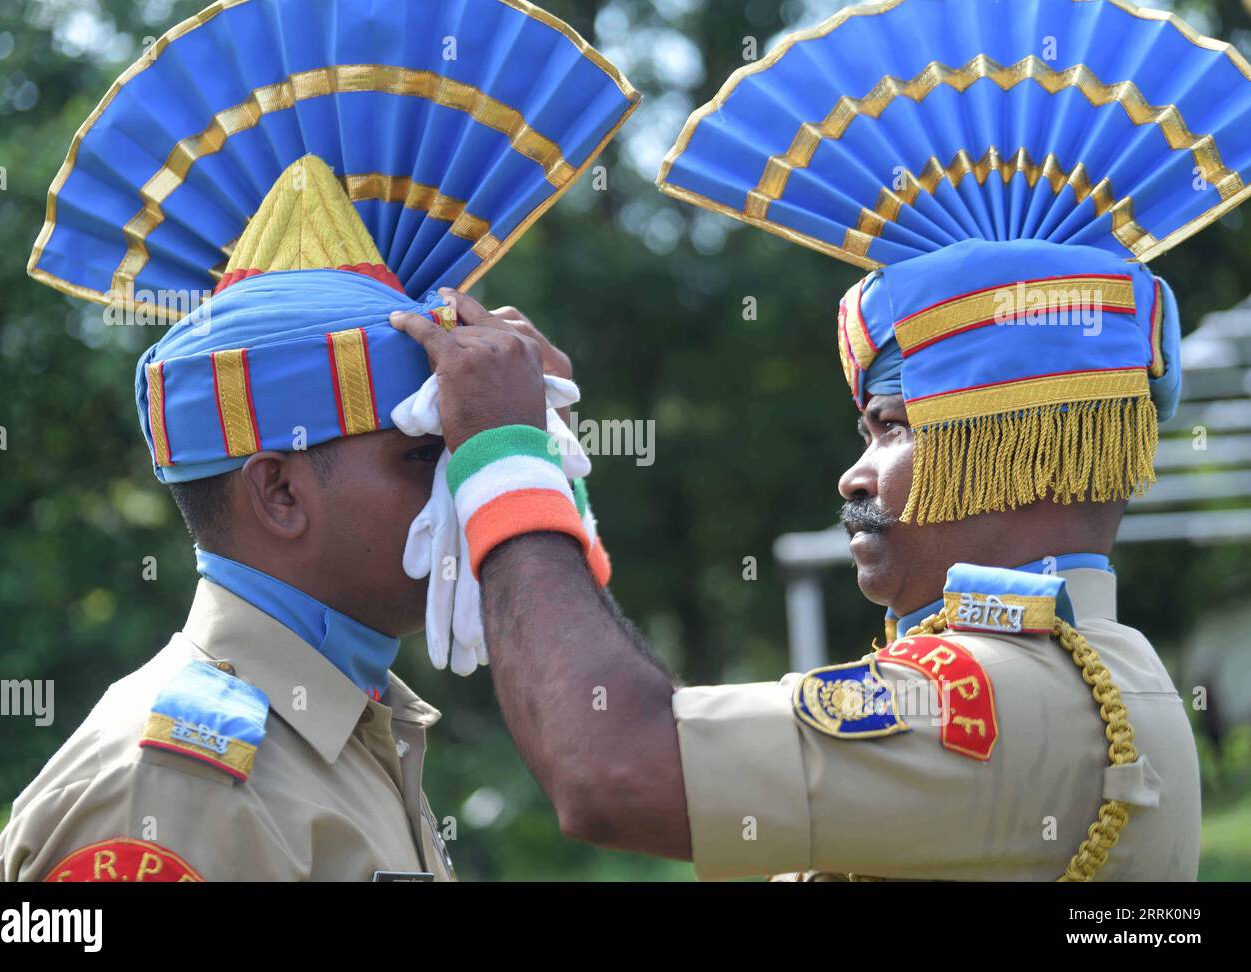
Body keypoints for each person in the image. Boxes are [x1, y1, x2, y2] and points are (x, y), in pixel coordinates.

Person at [387, 0, 1251, 880]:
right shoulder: (1083, 673)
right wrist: (550, 469)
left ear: (1013, 443)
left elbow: (615, 768)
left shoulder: (1003, 694)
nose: (854, 477)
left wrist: (504, 453)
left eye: (891, 430)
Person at [0, 0, 636, 881]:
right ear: (280, 492)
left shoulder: (352, 729)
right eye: (423, 455)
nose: (462, 485)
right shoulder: (175, 786)